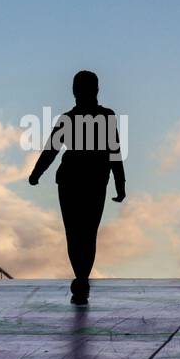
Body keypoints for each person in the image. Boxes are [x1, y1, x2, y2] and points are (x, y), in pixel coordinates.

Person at [28, 70, 126, 305]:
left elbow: (51, 150)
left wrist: (36, 174)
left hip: (72, 181)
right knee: (86, 232)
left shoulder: (68, 119)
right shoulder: (106, 117)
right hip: (93, 181)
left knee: (75, 232)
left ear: (74, 91)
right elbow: (115, 153)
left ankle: (81, 278)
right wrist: (119, 183)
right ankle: (82, 278)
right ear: (97, 90)